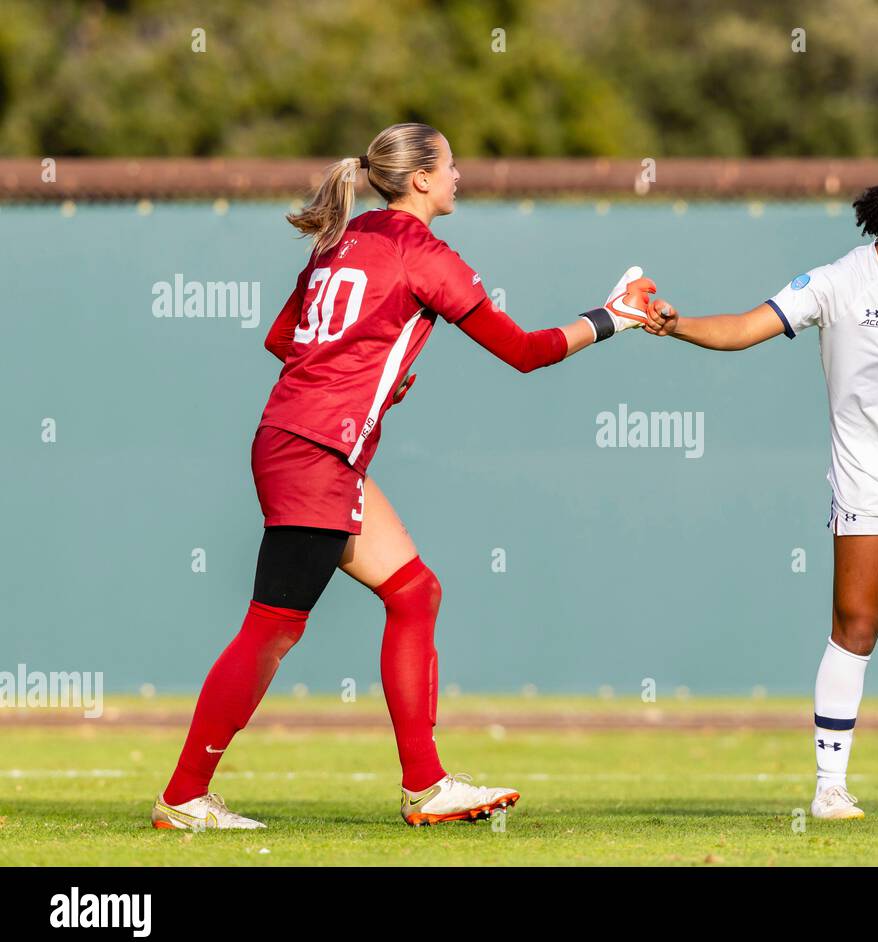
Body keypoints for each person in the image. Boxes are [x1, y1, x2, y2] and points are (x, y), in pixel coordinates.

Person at [151, 122, 656, 829]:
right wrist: (615, 316)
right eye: (451, 164)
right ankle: (182, 796)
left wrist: (369, 379)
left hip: (303, 440)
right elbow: (526, 352)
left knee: (414, 592)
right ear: (420, 179)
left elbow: (284, 341)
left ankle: (426, 783)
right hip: (315, 449)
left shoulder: (345, 239)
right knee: (272, 626)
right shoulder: (421, 252)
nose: (459, 175)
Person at [642, 164, 878, 819]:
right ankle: (829, 784)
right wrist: (674, 323)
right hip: (868, 474)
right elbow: (741, 328)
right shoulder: (835, 283)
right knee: (855, 628)